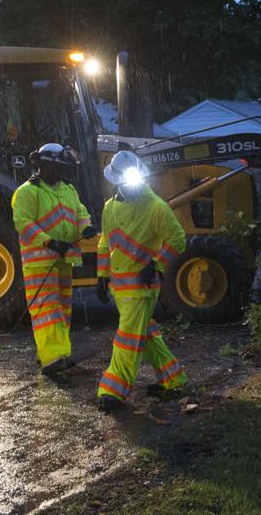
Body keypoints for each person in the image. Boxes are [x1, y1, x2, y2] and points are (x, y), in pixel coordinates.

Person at [95, 150, 188, 412]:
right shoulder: (109, 207)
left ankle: (113, 389)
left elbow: (178, 239)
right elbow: (104, 243)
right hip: (119, 287)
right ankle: (174, 379)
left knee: (127, 337)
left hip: (142, 288)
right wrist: (101, 276)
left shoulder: (156, 206)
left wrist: (157, 266)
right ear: (116, 181)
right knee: (143, 335)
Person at [11, 143, 94, 375]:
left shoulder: (68, 189)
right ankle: (52, 358)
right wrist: (48, 242)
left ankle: (56, 353)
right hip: (40, 261)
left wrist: (85, 227)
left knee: (62, 309)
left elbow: (81, 213)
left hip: (64, 259)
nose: (60, 172)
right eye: (57, 167)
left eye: (62, 167)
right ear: (43, 165)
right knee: (46, 309)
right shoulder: (27, 191)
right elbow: (23, 224)